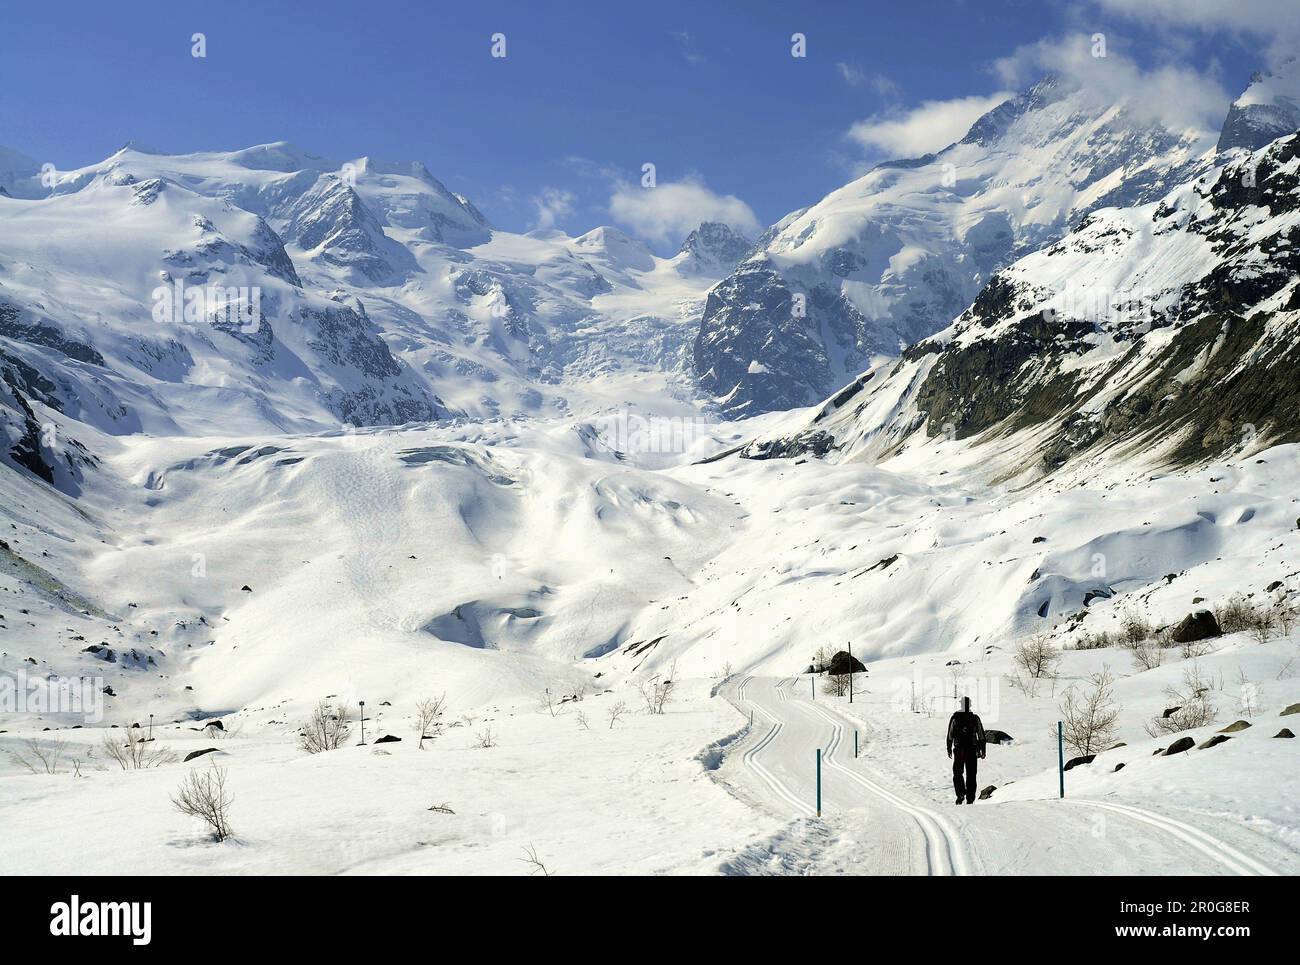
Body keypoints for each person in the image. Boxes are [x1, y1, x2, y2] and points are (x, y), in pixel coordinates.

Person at [946, 696, 986, 804]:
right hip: (972, 750)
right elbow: (981, 735)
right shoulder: (975, 718)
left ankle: (960, 794)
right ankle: (970, 799)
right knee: (971, 775)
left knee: (958, 773)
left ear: (961, 705)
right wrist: (983, 749)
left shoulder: (955, 717)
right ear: (970, 705)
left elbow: (950, 734)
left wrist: (949, 748)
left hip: (959, 750)